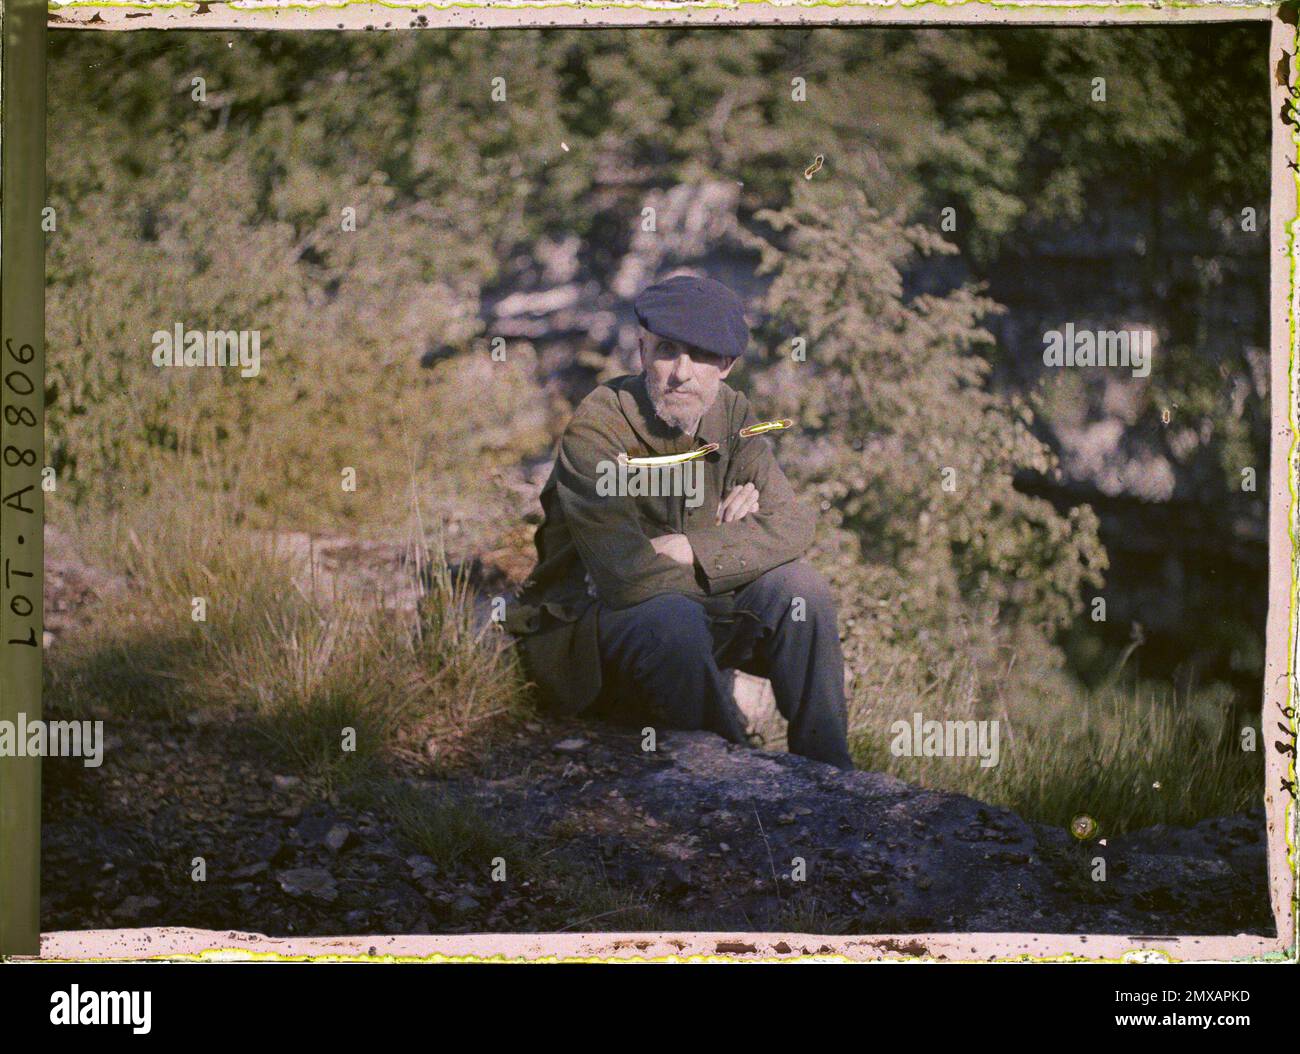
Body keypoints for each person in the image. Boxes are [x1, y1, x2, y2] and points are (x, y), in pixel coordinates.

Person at [504, 273, 854, 770]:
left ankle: (830, 771)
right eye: (667, 350)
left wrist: (695, 546)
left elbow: (794, 524)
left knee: (801, 590)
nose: (681, 373)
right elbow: (625, 574)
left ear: (726, 366)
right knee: (673, 618)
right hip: (596, 636)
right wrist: (734, 551)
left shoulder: (731, 416)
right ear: (643, 351)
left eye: (702, 355)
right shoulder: (598, 427)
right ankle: (737, 767)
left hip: (692, 624)